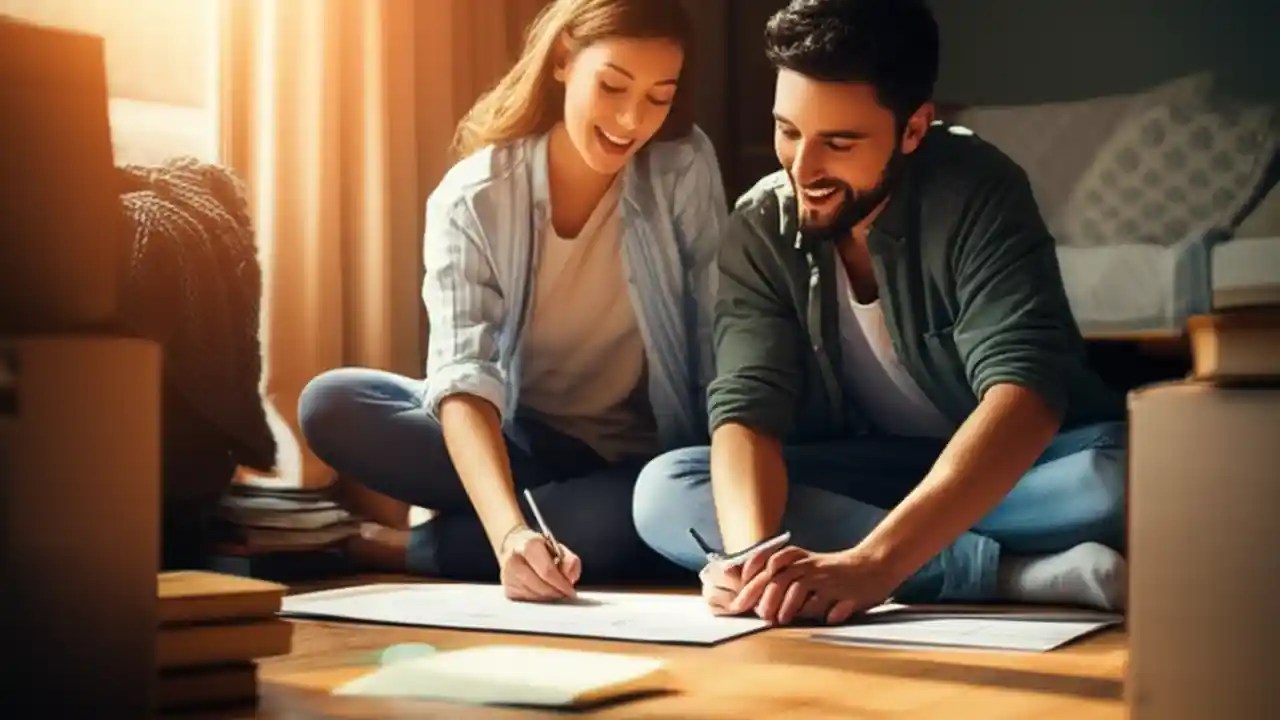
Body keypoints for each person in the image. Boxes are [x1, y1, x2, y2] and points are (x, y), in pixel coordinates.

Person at [633, 0, 1129, 626]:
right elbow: (746, 411)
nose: (803, 169)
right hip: (871, 474)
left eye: (838, 143)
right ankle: (1012, 576)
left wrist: (876, 559)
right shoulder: (762, 222)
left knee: (1116, 478)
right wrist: (753, 557)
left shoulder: (978, 189)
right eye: (789, 131)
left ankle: (893, 553)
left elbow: (1024, 396)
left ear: (914, 129)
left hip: (1012, 469)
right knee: (667, 490)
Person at [299, 0, 725, 601]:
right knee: (333, 402)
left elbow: (717, 335)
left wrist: (720, 479)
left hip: (635, 460)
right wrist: (507, 535)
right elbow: (464, 377)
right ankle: (527, 519)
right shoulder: (474, 197)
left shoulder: (682, 166)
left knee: (636, 517)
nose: (632, 120)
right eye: (612, 86)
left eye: (659, 97)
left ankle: (403, 547)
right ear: (562, 62)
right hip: (522, 441)